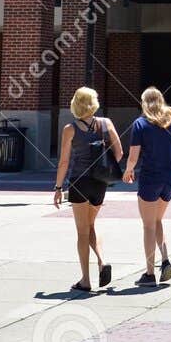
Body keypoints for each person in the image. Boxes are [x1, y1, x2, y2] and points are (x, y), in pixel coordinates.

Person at [52, 86, 123, 293]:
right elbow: (119, 152)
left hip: (79, 182)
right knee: (91, 225)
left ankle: (85, 280)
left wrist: (58, 187)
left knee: (82, 232)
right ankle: (102, 261)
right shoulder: (105, 123)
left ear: (76, 104)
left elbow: (64, 161)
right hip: (100, 183)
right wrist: (106, 167)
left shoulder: (70, 129)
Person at [122, 86, 171, 286]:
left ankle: (149, 273)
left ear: (144, 102)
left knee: (148, 225)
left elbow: (133, 155)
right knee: (158, 220)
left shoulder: (140, 124)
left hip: (150, 179)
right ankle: (165, 260)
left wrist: (128, 170)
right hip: (169, 179)